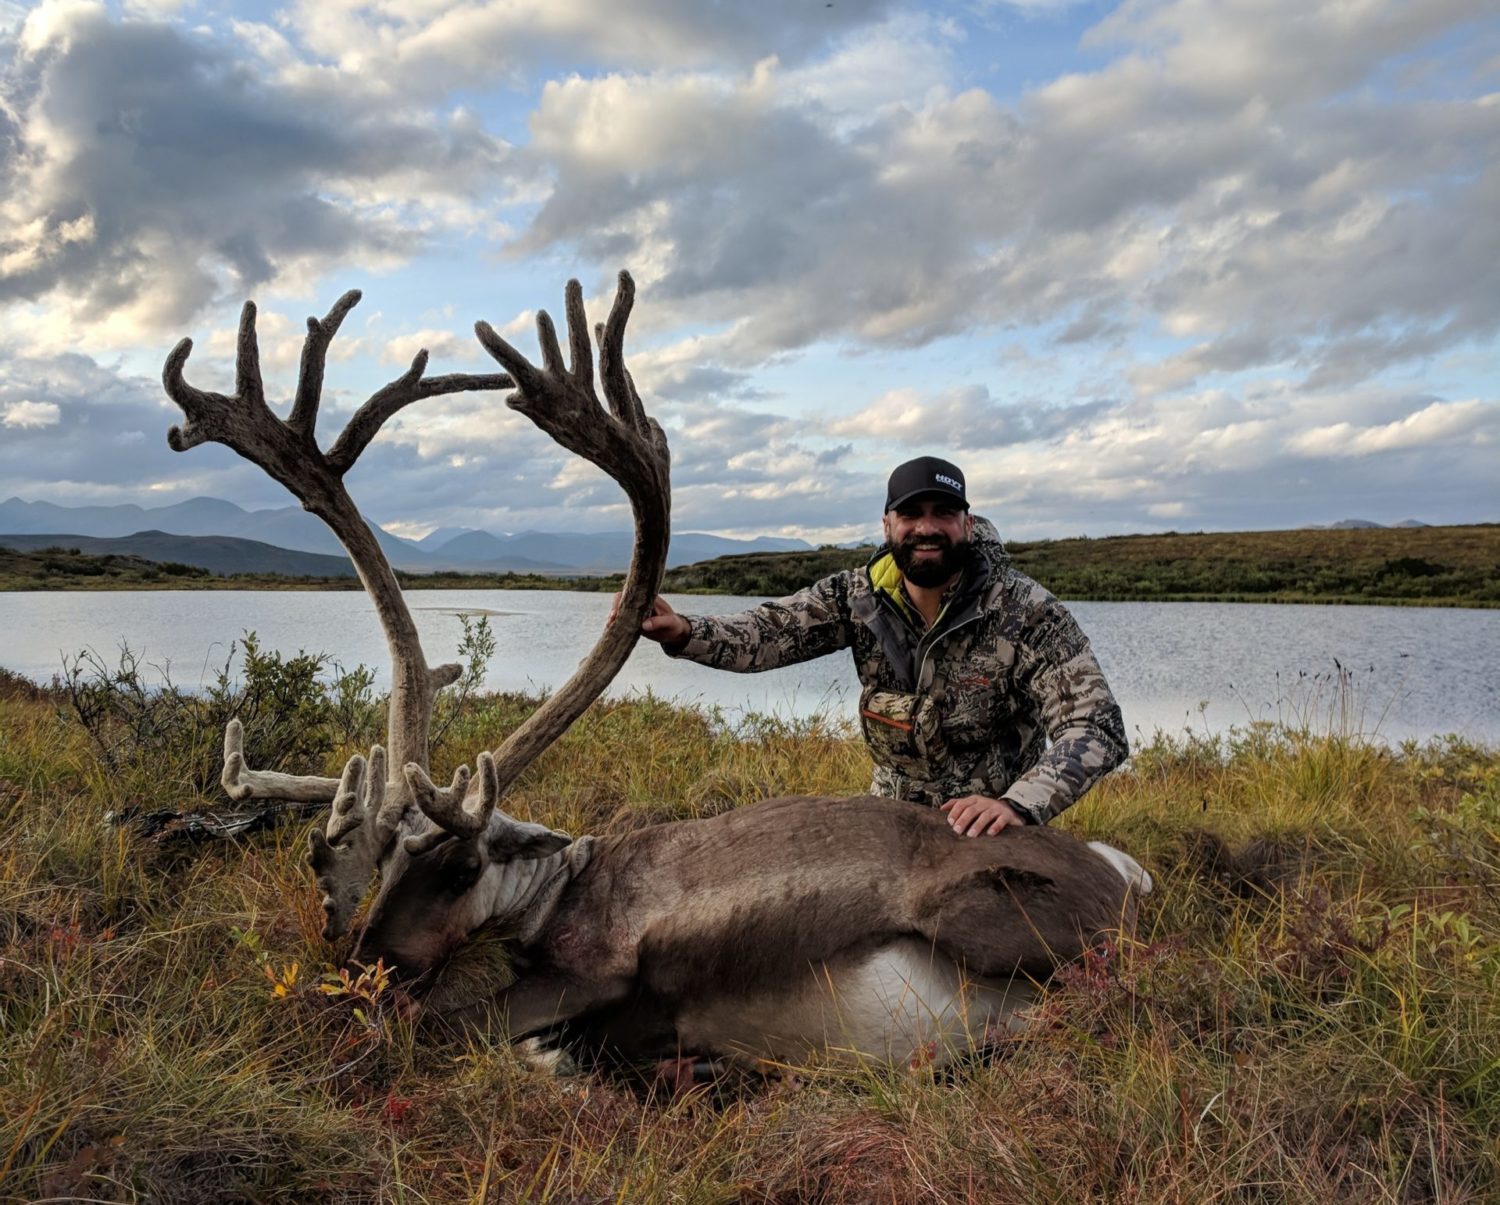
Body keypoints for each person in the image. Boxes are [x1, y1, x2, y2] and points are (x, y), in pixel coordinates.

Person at [634, 456, 1128, 836]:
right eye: (910, 513)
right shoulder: (857, 597)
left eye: (944, 513)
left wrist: (1019, 804)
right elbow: (770, 632)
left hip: (991, 831)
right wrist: (683, 631)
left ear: (968, 525)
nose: (927, 527)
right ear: (888, 525)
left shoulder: (1027, 612)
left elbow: (1095, 725)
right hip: (888, 827)